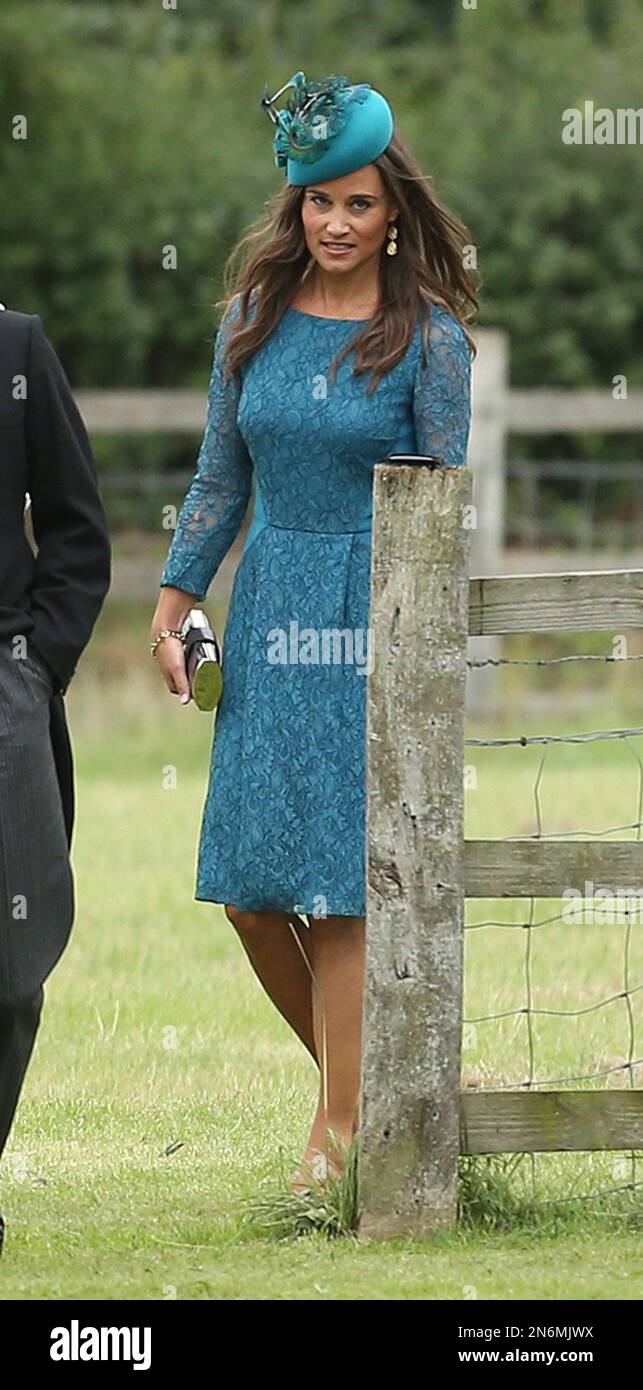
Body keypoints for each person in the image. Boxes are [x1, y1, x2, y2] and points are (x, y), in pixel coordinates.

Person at [150, 71, 476, 1190]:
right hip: (272, 594)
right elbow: (216, 477)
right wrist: (175, 600)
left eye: (360, 204)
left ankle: (335, 1135)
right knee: (250, 895)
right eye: (318, 203)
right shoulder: (247, 322)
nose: (335, 224)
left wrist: (412, 648)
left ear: (396, 216)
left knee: (340, 889)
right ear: (294, 207)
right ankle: (378, 1096)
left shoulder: (429, 340)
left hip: (371, 618)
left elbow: (443, 507)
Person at [0, 305, 111, 1254]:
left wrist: (35, 667)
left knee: (10, 964)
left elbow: (77, 530)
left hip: (3, 679)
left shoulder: (16, 347)